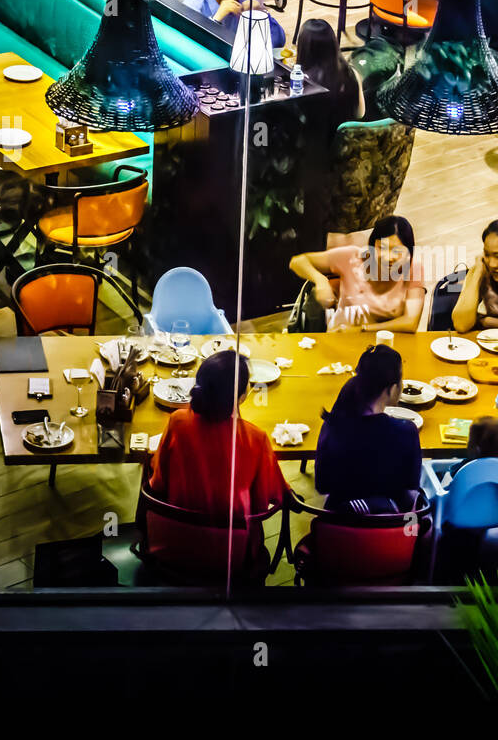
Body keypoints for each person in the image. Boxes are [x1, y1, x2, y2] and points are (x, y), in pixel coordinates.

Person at [147, 351, 288, 517]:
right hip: (232, 540)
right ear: (241, 397)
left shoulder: (178, 422)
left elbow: (158, 482)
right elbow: (262, 503)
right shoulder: (255, 438)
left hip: (174, 533)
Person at [314, 345, 423, 514]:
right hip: (390, 529)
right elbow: (411, 488)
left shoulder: (332, 426)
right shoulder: (407, 432)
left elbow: (322, 486)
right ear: (392, 388)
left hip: (339, 527)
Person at [289, 215, 426, 333]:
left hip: (386, 346)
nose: (388, 257)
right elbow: (298, 262)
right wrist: (321, 281)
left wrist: (363, 329)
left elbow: (410, 322)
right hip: (341, 337)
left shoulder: (414, 268)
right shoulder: (352, 256)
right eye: (382, 248)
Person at [297, 19, 364, 129]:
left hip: (315, 144)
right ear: (333, 43)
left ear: (304, 48)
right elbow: (360, 114)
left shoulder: (302, 83)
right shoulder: (351, 74)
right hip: (345, 142)